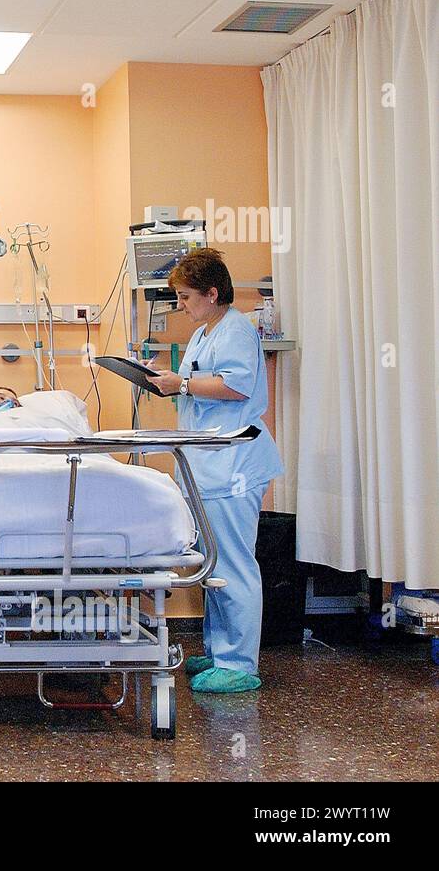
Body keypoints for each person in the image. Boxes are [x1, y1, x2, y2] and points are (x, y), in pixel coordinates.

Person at [146, 248, 283, 694]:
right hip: (209, 463)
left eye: (186, 297)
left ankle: (240, 663)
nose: (180, 305)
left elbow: (235, 386)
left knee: (235, 564)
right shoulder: (207, 333)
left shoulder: (237, 330)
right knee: (214, 561)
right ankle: (220, 648)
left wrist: (181, 383)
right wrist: (165, 380)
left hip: (234, 463)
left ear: (212, 292)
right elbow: (200, 386)